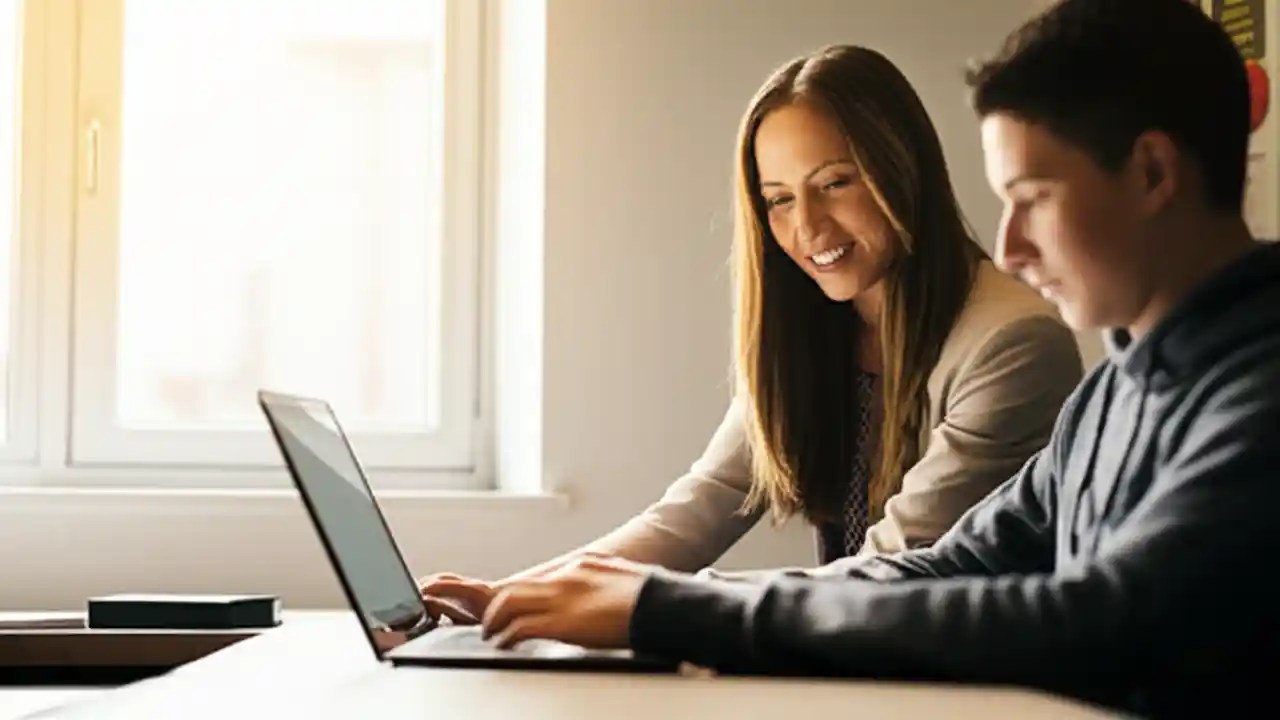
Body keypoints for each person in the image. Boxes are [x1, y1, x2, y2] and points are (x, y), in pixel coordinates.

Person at [471, 0, 1280, 715]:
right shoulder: (1114, 394)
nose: (1012, 247)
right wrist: (584, 596)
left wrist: (667, 612)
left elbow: (1099, 621)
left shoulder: (1261, 387)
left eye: (1033, 199)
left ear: (1151, 173)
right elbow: (951, 565)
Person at [419, 44, 1083, 622]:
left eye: (836, 183)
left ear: (900, 167)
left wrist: (642, 608)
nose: (810, 228)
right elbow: (702, 506)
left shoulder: (1013, 342)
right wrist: (509, 598)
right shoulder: (815, 327)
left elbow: (896, 570)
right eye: (780, 200)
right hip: (857, 667)